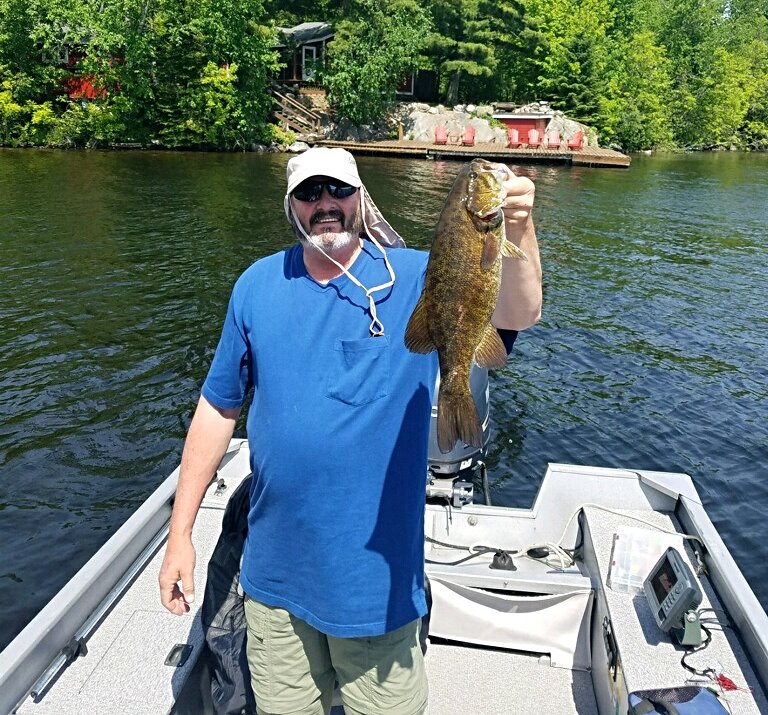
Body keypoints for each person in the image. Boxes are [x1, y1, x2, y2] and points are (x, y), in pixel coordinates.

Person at [158, 147, 542, 715]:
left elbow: (517, 313)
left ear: (360, 198)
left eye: (337, 191)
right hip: (273, 577)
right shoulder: (257, 285)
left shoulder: (416, 274)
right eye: (309, 195)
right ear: (291, 207)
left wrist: (519, 227)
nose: (325, 206)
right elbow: (218, 410)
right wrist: (179, 534)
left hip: (375, 584)